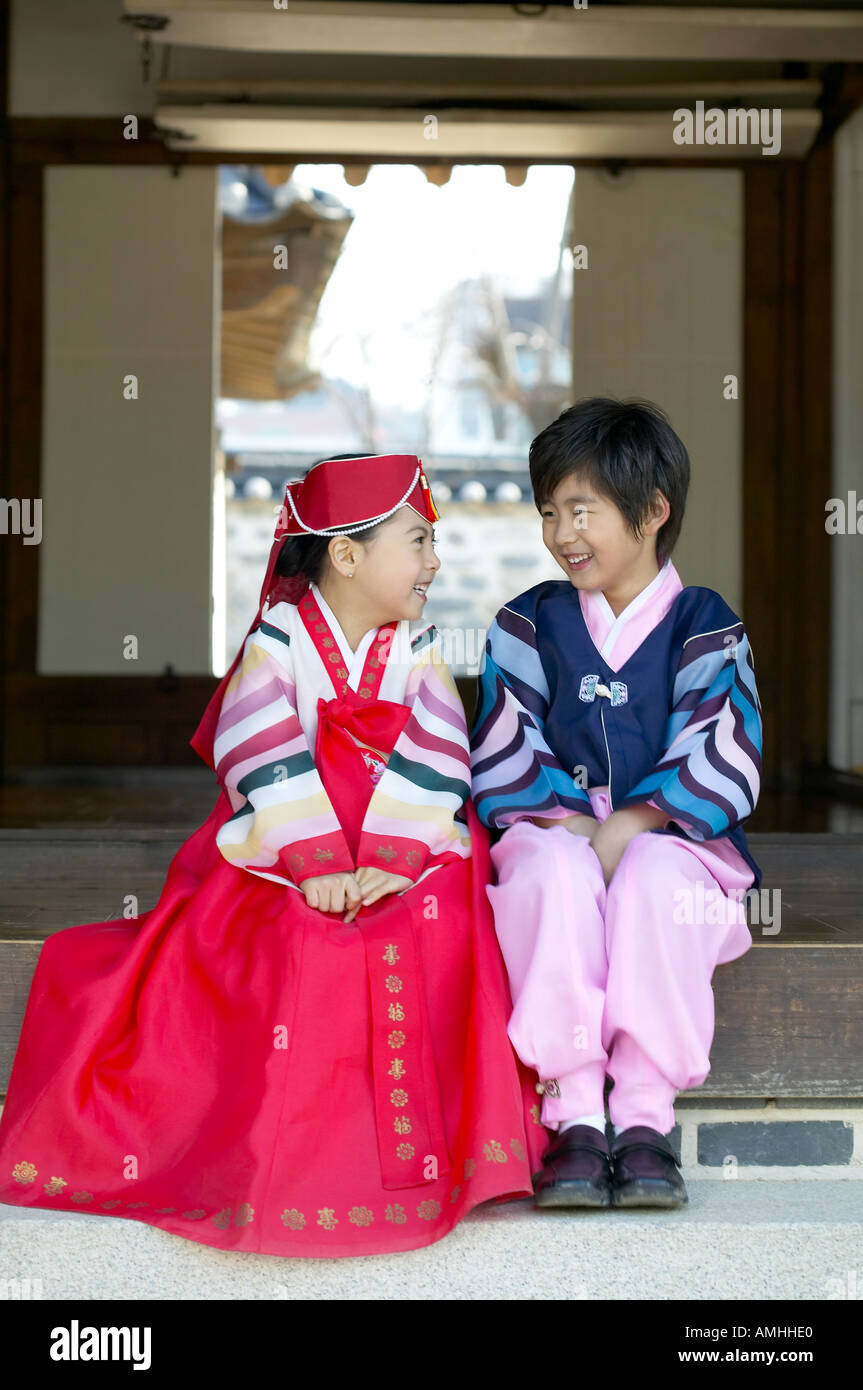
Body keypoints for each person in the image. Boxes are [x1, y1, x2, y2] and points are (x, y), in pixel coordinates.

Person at [0, 452, 547, 1257]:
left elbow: (440, 753)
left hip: (399, 849)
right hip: (286, 848)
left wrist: (394, 858)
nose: (435, 561)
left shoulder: (417, 647)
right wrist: (317, 862)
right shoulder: (278, 641)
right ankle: (288, 1161)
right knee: (289, 942)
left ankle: (447, 1154)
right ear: (348, 554)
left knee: (449, 918)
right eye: (418, 541)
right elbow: (259, 752)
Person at [469, 399, 763, 1210]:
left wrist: (631, 824)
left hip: (671, 837)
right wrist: (571, 826)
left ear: (653, 511)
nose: (563, 532)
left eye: (582, 510)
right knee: (549, 875)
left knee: (656, 881)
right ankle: (572, 1111)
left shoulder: (706, 624)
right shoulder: (525, 623)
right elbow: (503, 739)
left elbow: (722, 744)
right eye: (549, 511)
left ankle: (641, 1116)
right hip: (553, 825)